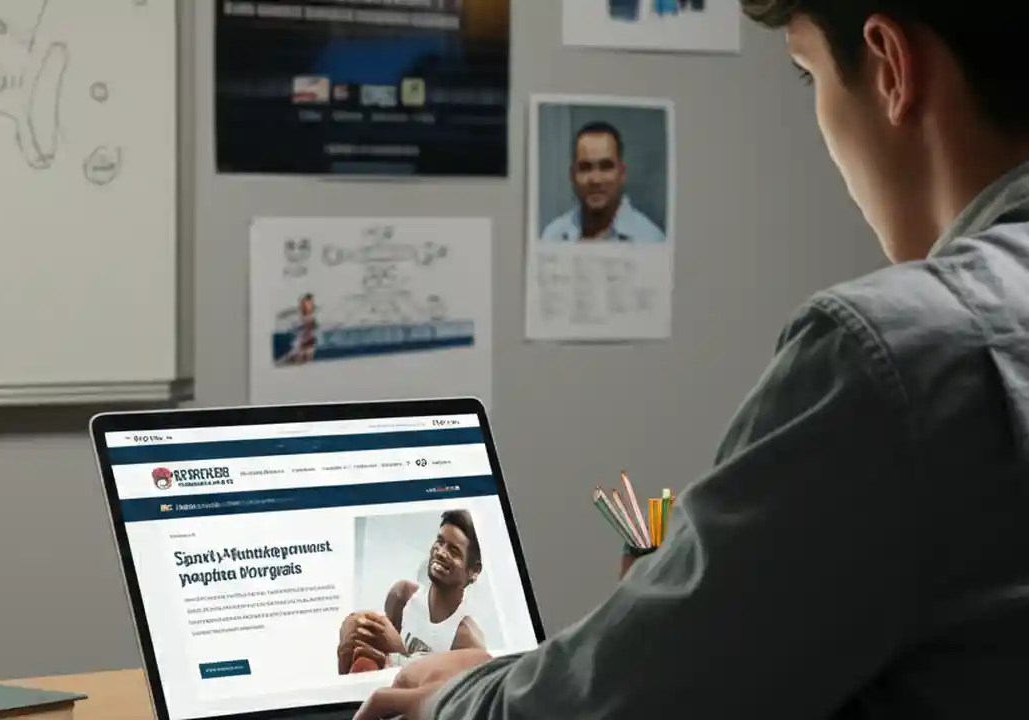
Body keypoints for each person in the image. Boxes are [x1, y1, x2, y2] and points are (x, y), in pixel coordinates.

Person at [357, 1, 1029, 718]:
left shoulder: (896, 354)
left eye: (809, 76)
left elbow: (633, 706)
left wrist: (455, 703)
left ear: (891, 67)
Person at [339, 510, 486, 675]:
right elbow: (385, 664)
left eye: (454, 550)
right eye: (440, 541)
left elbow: (443, 694)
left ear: (474, 570)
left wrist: (398, 649)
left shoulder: (467, 640)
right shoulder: (402, 595)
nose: (441, 552)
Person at [540, 121, 666, 243]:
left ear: (622, 173)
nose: (596, 180)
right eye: (585, 168)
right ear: (572, 175)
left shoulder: (649, 240)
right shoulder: (553, 237)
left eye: (606, 167)